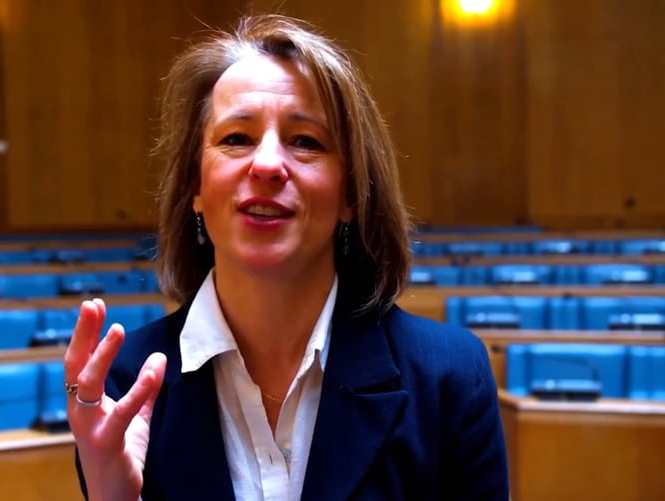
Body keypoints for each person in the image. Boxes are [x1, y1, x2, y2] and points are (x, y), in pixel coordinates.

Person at [63, 13, 509, 501]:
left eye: (305, 142)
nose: (268, 165)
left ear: (350, 195)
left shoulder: (449, 378)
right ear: (195, 186)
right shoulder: (126, 383)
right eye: (236, 139)